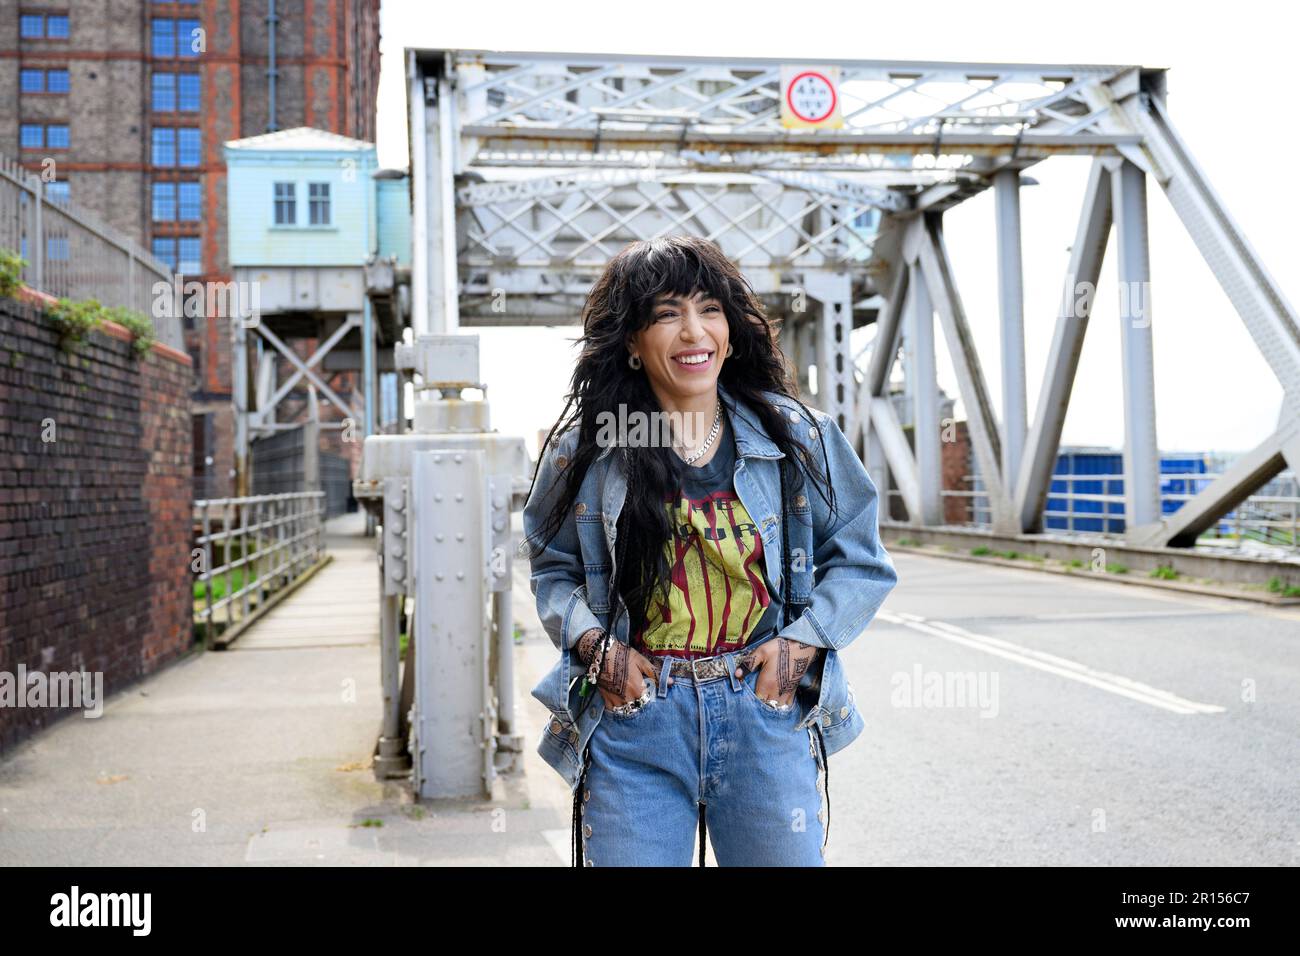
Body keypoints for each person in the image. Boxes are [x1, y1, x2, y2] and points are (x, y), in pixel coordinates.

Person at [521, 235, 898, 866]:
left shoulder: (798, 438)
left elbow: (861, 559)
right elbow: (551, 566)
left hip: (761, 710)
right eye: (666, 314)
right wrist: (597, 648)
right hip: (636, 715)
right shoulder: (587, 451)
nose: (694, 332)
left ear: (731, 327)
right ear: (633, 344)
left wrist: (800, 646)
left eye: (709, 309)